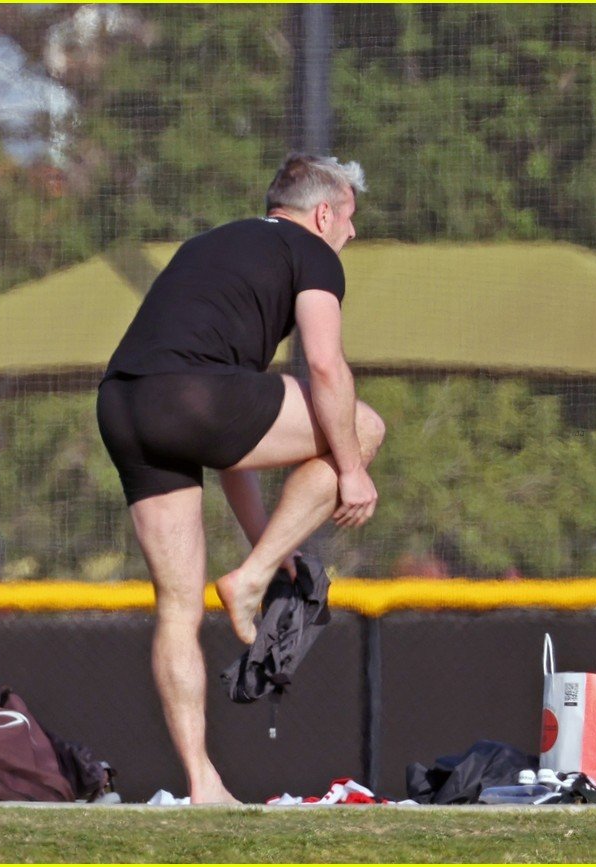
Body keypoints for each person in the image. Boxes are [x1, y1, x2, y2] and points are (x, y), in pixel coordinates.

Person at [96, 154, 385, 803]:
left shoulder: (217, 245)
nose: (352, 232)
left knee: (176, 605)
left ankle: (203, 782)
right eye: (349, 217)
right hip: (193, 395)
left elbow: (232, 444)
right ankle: (249, 577)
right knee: (361, 428)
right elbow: (325, 365)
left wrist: (269, 543)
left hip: (122, 401)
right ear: (322, 213)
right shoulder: (313, 254)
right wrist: (352, 469)